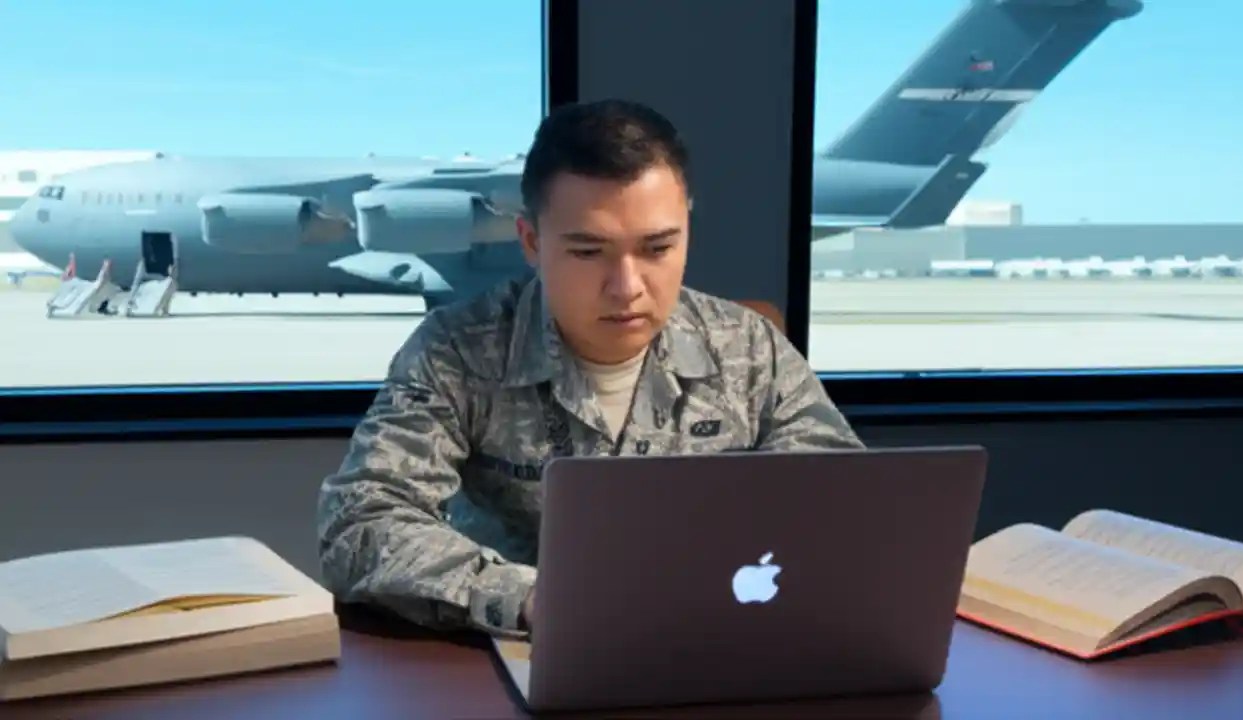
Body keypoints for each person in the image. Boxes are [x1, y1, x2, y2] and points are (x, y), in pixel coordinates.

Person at [316, 99, 864, 639]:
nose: (626, 287)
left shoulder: (747, 347)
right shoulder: (459, 351)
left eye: (657, 248)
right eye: (587, 252)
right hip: (526, 653)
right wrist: (530, 599)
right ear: (532, 242)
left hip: (725, 641)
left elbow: (848, 506)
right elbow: (361, 523)